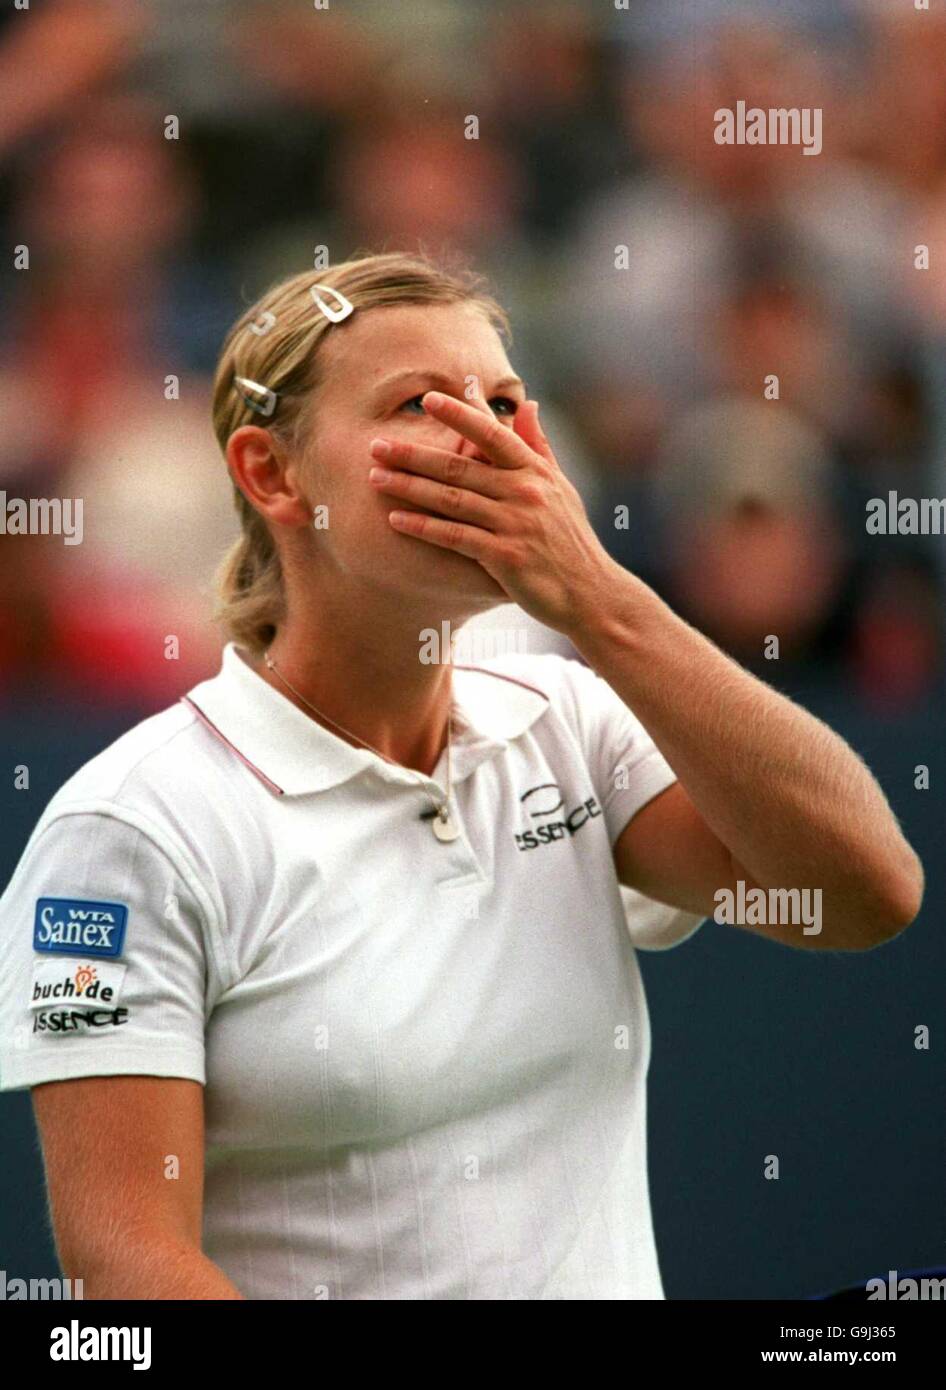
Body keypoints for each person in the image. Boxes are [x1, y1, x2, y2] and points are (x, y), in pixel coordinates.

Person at [0, 251, 924, 1300]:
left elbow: (864, 893)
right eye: (420, 403)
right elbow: (126, 1260)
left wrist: (601, 601)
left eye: (502, 402)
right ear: (271, 473)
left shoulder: (570, 723)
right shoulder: (128, 830)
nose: (482, 440)